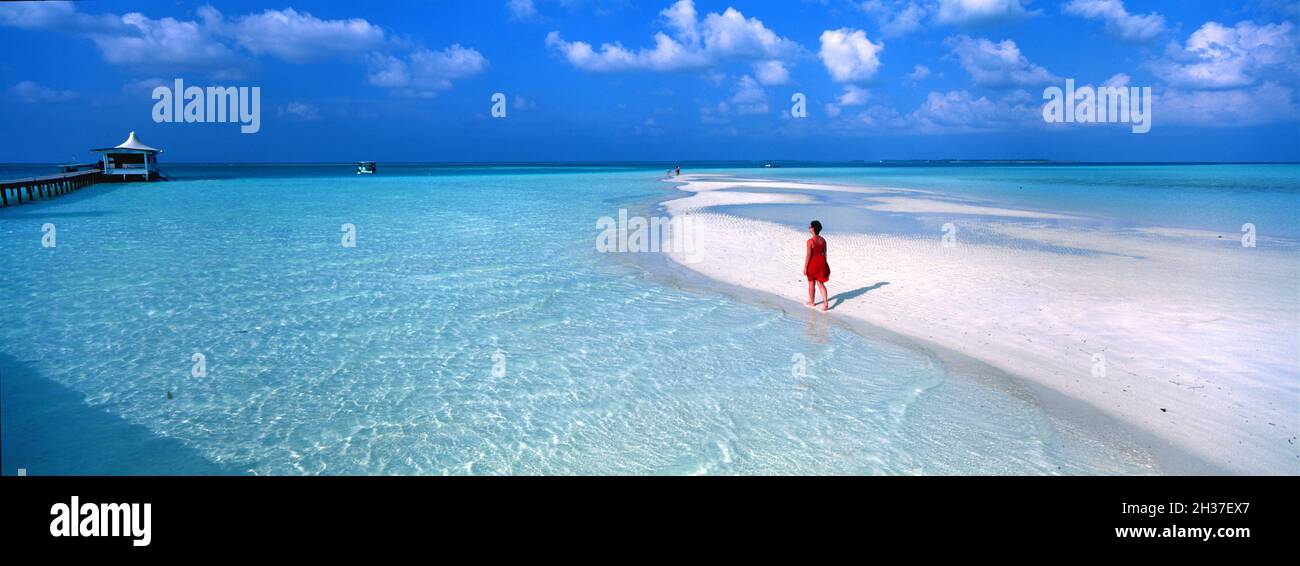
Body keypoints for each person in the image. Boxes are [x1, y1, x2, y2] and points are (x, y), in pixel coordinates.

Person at [803, 220, 830, 310]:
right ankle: (826, 303)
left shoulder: (810, 241)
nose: (809, 228)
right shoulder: (823, 240)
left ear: (813, 229)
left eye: (810, 227)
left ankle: (812, 302)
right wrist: (825, 264)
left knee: (811, 283)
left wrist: (805, 267)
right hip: (822, 263)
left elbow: (808, 255)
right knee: (821, 283)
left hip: (812, 265)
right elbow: (825, 254)